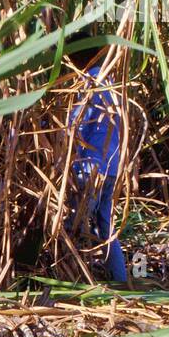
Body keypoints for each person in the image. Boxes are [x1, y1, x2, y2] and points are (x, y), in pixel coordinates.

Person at [67, 52, 127, 283]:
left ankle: (75, 278)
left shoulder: (90, 83)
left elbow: (77, 126)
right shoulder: (113, 84)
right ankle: (120, 280)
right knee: (106, 225)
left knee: (74, 225)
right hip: (112, 166)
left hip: (90, 167)